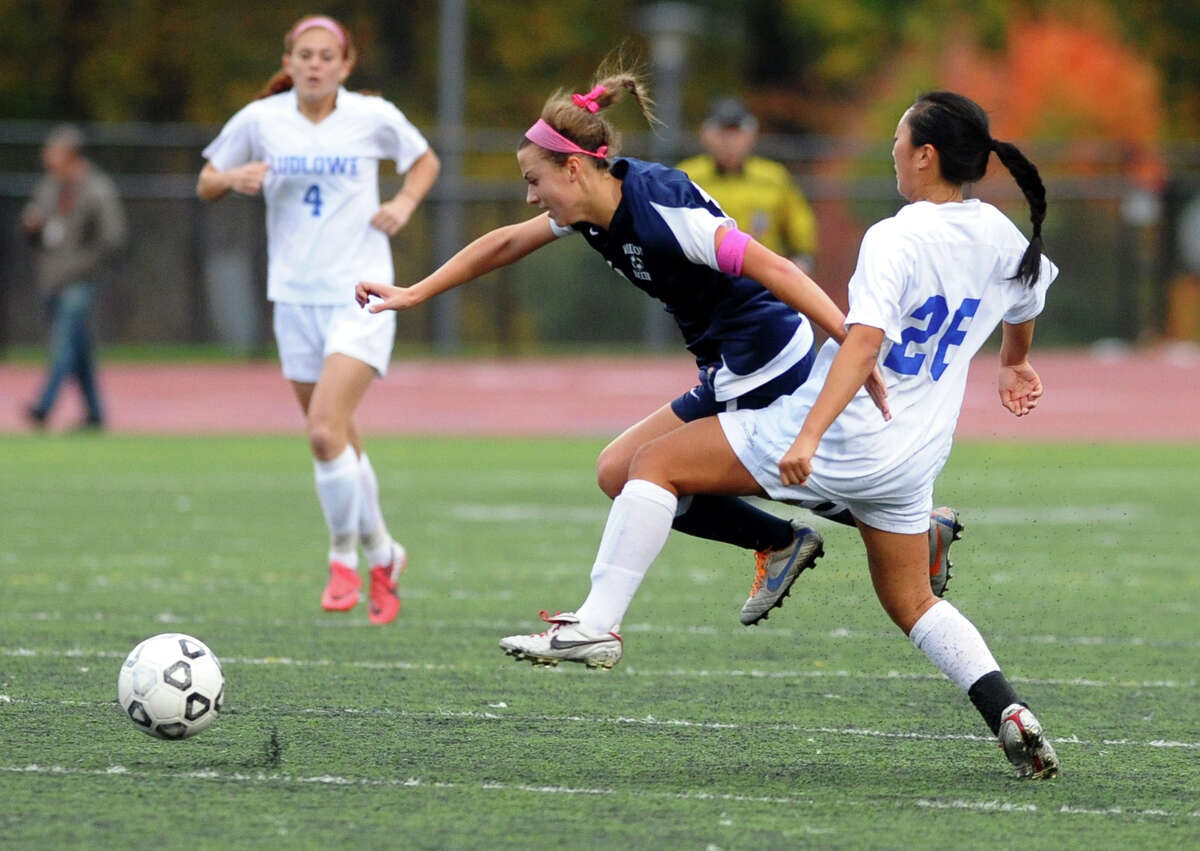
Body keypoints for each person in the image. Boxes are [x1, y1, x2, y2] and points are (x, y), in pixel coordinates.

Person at [496, 91, 1060, 780]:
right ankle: (1008, 708)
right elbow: (1028, 297)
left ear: (926, 154)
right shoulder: (1003, 234)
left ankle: (596, 625)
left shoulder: (895, 235)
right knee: (916, 604)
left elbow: (860, 346)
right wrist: (1014, 361)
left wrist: (808, 437)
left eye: (896, 137)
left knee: (650, 467)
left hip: (845, 434)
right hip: (912, 461)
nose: (889, 149)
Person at [356, 61, 959, 643]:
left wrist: (853, 340)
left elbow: (773, 266)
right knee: (619, 471)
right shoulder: (594, 209)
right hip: (727, 365)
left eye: (534, 181)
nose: (531, 198)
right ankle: (856, 533)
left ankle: (797, 543)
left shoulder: (657, 207)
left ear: (573, 169)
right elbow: (507, 242)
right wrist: (415, 293)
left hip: (763, 359)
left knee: (679, 470)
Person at [197, 14, 440, 625]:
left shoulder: (370, 115)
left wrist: (404, 202)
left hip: (360, 295)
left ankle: (342, 557)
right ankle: (385, 551)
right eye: (303, 54)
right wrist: (231, 177)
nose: (314, 64)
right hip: (293, 300)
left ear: (345, 64)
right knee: (341, 438)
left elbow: (425, 160)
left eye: (326, 56)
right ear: (288, 58)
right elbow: (205, 182)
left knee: (324, 433)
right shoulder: (261, 120)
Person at [22, 124, 127, 431]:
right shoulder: (50, 186)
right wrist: (31, 226)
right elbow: (36, 225)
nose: (48, 158)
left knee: (64, 343)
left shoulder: (97, 188)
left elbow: (114, 235)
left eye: (54, 152)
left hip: (79, 279)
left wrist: (85, 263)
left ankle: (43, 408)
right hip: (52, 278)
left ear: (71, 155)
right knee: (79, 349)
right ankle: (95, 414)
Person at [677, 97, 818, 272]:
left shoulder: (773, 177)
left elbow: (799, 223)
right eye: (722, 133)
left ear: (751, 135)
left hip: (762, 280)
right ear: (706, 135)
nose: (729, 142)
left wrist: (802, 258)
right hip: (702, 279)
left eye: (736, 133)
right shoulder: (686, 177)